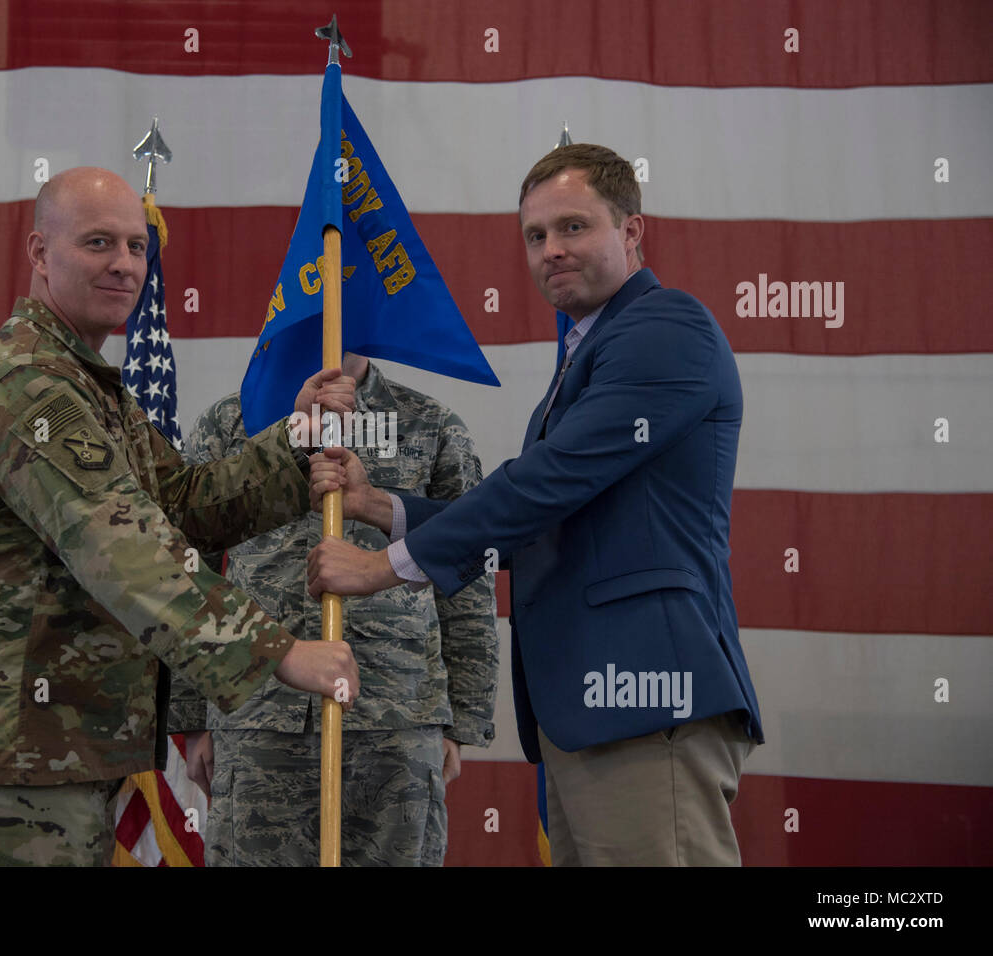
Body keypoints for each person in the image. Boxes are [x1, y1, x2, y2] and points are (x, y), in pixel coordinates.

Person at [305, 144, 764, 866]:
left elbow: (545, 485)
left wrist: (380, 569)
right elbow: (544, 521)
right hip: (591, 708)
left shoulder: (665, 328)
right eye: (536, 235)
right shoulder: (590, 352)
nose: (552, 250)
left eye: (574, 227)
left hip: (644, 697)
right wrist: (378, 505)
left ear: (633, 232)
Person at [0, 166, 360, 867]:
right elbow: (117, 541)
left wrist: (294, 444)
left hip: (53, 743)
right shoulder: (25, 384)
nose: (124, 264)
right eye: (97, 243)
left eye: (137, 247)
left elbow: (183, 509)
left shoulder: (87, 385)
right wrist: (278, 652)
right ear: (39, 252)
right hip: (8, 750)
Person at [170, 355, 498, 866]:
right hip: (258, 716)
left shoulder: (430, 423)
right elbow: (191, 570)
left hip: (397, 717)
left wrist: (461, 721)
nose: (332, 296)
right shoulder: (232, 422)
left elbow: (469, 575)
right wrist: (192, 717)